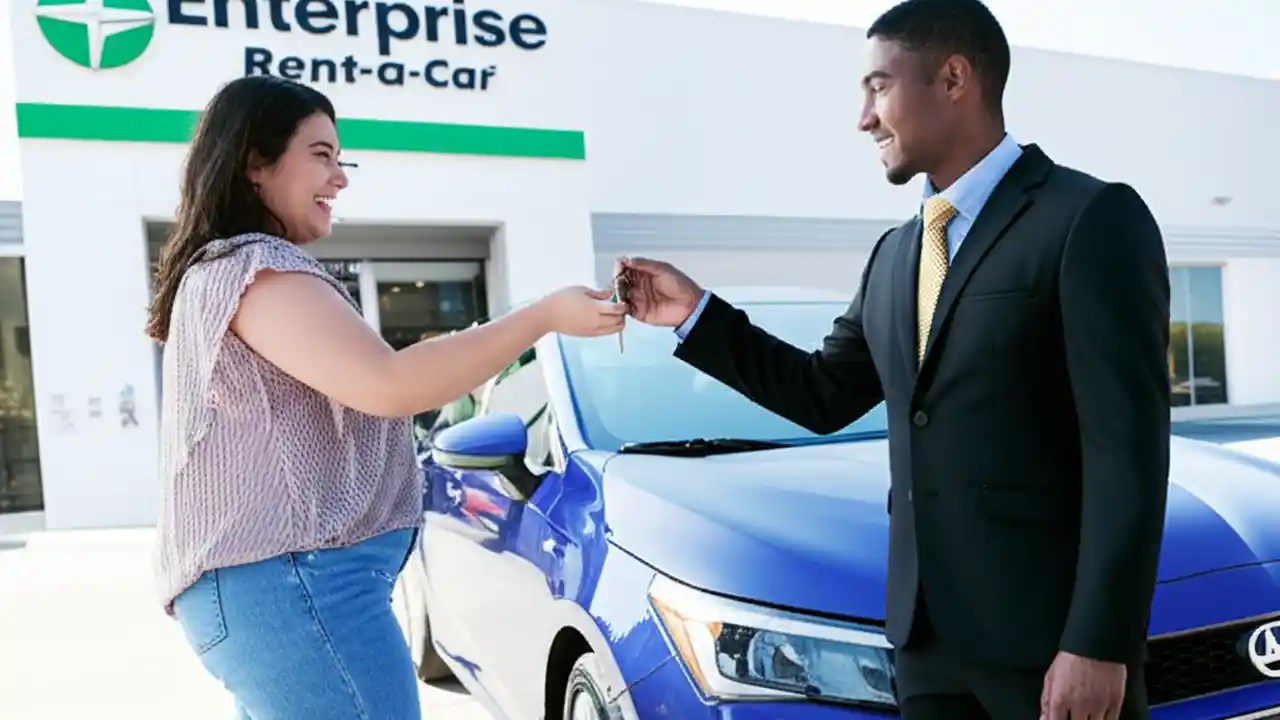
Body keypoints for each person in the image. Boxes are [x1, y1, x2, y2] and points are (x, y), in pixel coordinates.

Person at [615, 1, 1170, 718]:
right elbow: (821, 394)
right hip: (923, 649)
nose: (863, 118)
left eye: (878, 86)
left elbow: (1127, 453)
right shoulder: (895, 255)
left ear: (953, 78)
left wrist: (1101, 642)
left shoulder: (1088, 220)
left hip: (1049, 649)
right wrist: (693, 313)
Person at [145, 75, 626, 719]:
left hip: (277, 589)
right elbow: (392, 384)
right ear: (254, 163)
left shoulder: (223, 273)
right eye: (321, 155)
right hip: (298, 586)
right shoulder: (258, 269)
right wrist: (540, 318)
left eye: (342, 159)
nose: (340, 178)